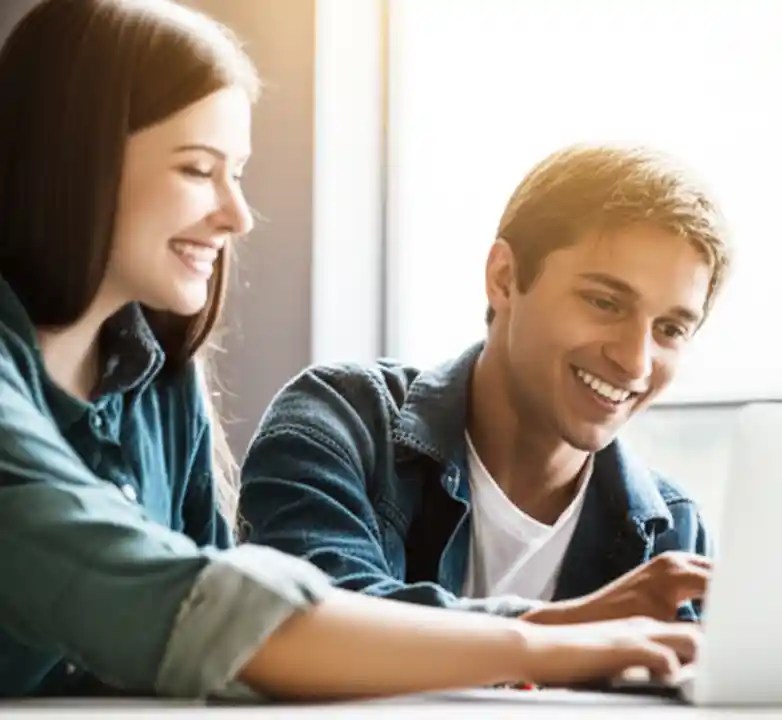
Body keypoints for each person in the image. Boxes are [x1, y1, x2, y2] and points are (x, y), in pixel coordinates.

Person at [0, 0, 697, 699]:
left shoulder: (161, 381)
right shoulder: (341, 416)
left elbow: (215, 662)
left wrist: (551, 630)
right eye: (197, 169)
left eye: (237, 173)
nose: (237, 214)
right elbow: (197, 608)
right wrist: (541, 643)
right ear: (73, 159)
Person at [238, 143, 729, 625]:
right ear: (504, 277)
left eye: (670, 330)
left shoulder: (673, 532)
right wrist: (569, 632)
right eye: (604, 303)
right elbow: (311, 625)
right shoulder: (340, 426)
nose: (635, 361)